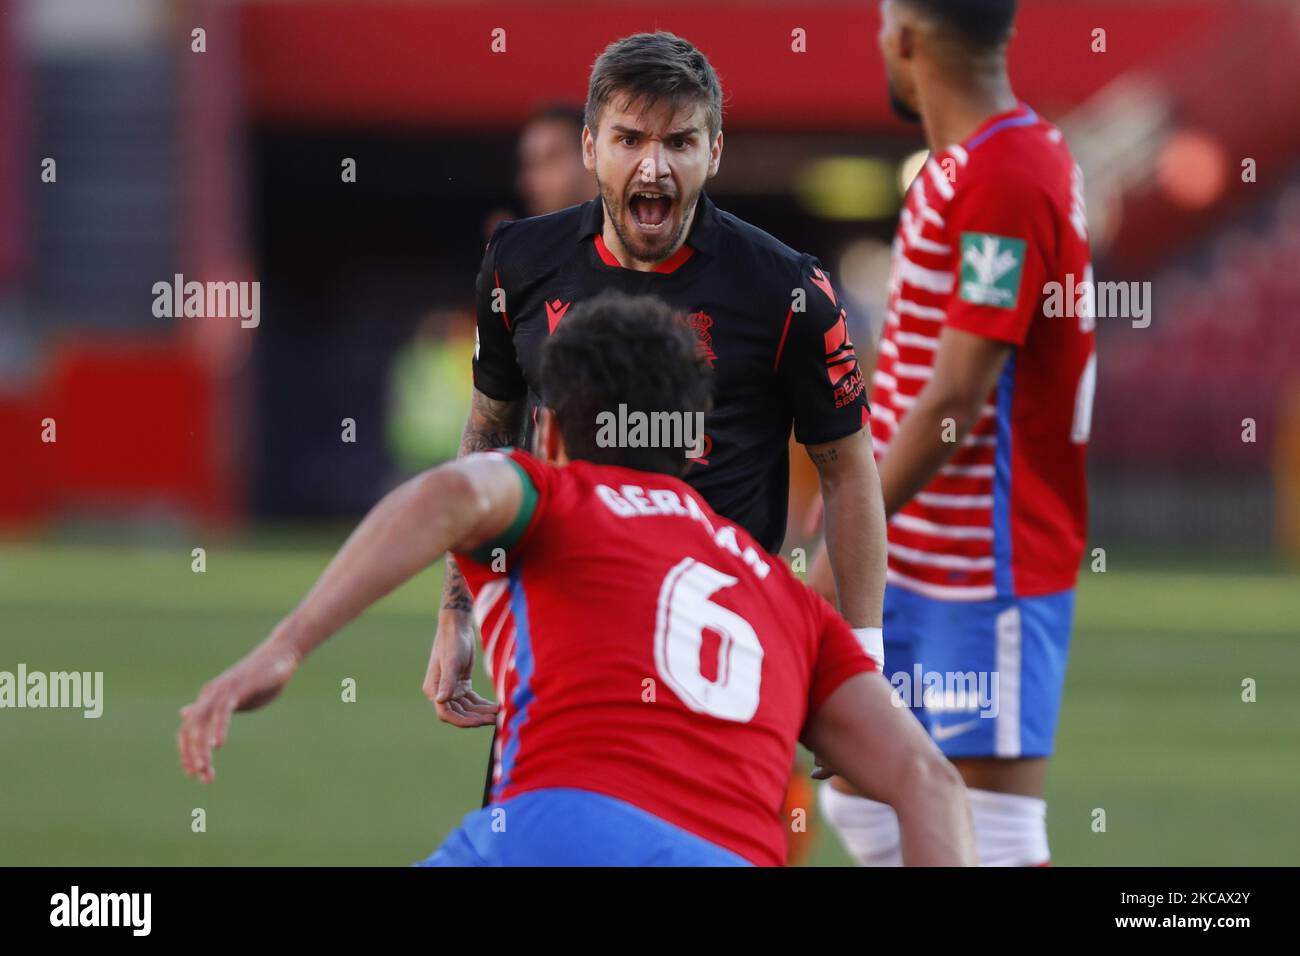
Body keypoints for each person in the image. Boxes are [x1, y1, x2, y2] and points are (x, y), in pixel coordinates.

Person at [177, 292, 975, 867]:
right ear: (693, 442)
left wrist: (286, 646)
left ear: (549, 431)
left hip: (559, 829)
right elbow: (926, 779)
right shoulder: (783, 594)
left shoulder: (557, 494)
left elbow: (454, 493)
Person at [426, 32, 890, 808]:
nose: (654, 165)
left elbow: (848, 470)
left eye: (679, 141)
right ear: (590, 148)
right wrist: (457, 614)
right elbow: (489, 434)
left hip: (715, 660)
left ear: (714, 152)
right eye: (630, 139)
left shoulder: (787, 291)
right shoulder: (518, 263)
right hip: (559, 653)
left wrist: (864, 667)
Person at [814, 0, 1096, 866]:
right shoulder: (978, 162)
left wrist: (845, 536)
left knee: (995, 841)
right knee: (867, 804)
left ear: (906, 40)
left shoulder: (1007, 173)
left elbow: (959, 395)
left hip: (985, 568)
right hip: (918, 558)